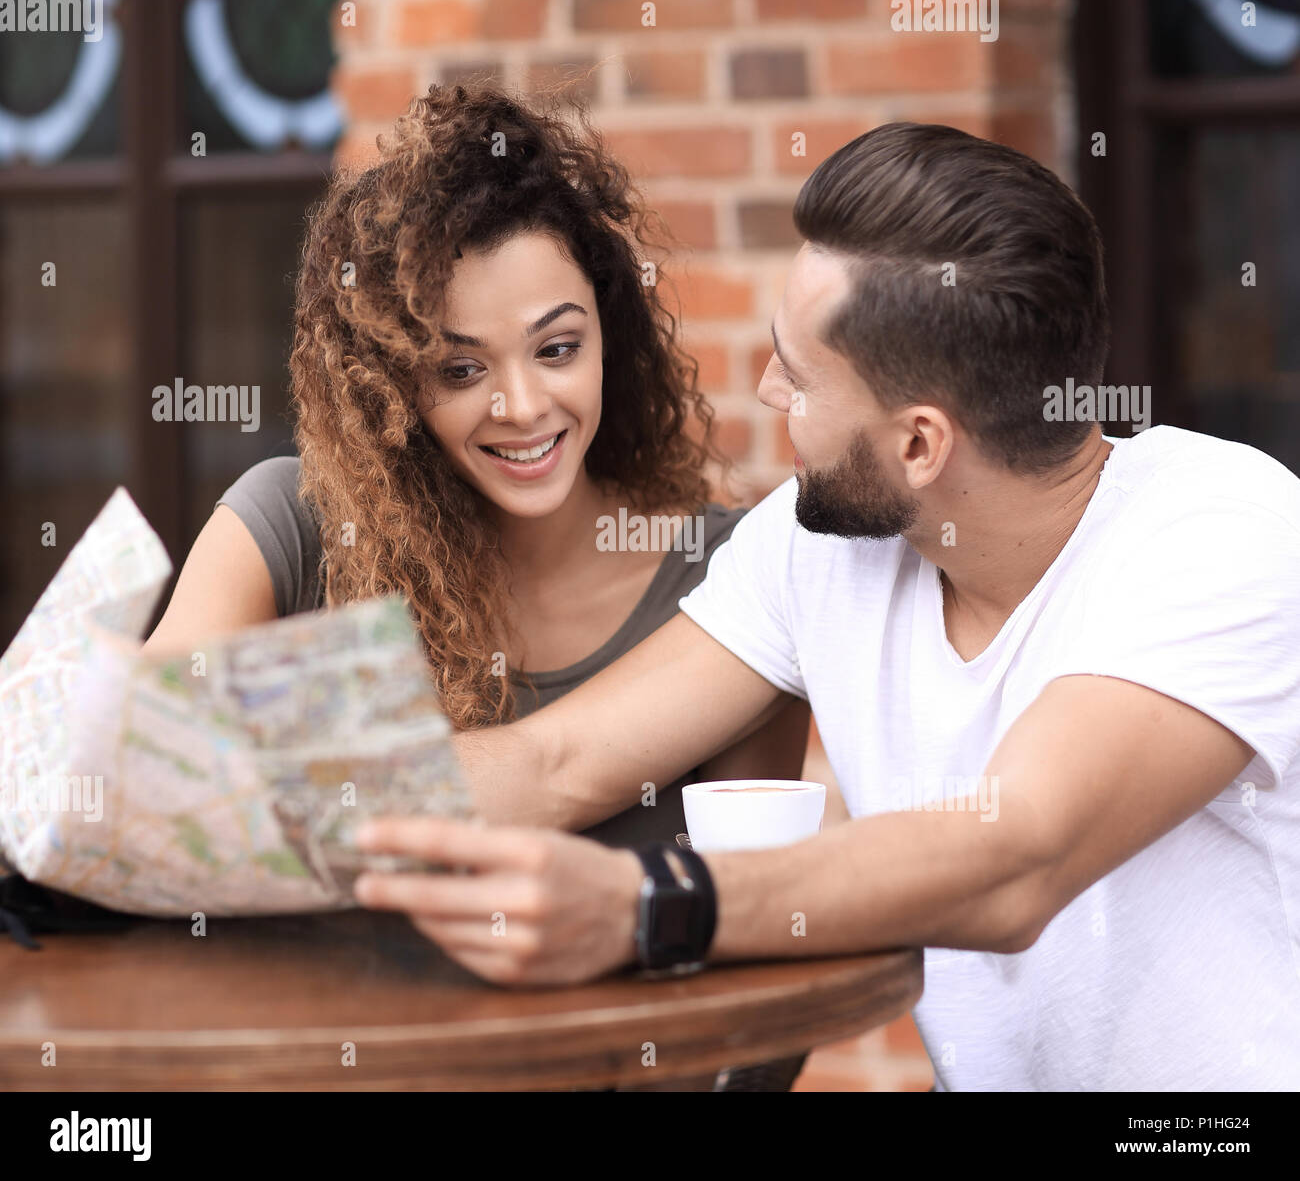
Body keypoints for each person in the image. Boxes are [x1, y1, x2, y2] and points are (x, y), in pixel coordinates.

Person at [353, 122, 1300, 1092]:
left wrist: (648, 901)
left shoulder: (1219, 527)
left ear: (919, 445)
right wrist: (257, 809)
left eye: (796, 378)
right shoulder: (817, 546)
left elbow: (1014, 852)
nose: (765, 391)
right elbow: (558, 762)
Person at [143, 83, 827, 1090]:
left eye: (557, 348)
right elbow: (134, 776)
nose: (521, 406)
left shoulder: (732, 580)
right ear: (392, 381)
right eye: (459, 370)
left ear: (612, 334)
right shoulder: (289, 525)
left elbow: (752, 989)